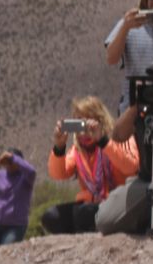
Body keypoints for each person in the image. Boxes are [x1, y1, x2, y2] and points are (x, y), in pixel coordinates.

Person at [95, 49, 153, 235]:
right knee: (105, 221)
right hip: (148, 181)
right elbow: (118, 135)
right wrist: (136, 107)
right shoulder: (145, 102)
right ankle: (145, 217)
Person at [43, 96, 139, 233]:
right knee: (51, 217)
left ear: (100, 120)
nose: (83, 131)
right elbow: (58, 174)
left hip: (119, 202)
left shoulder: (120, 137)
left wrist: (103, 142)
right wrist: (59, 147)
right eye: (78, 124)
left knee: (84, 214)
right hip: (89, 203)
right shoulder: (78, 150)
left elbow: (131, 167)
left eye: (87, 123)